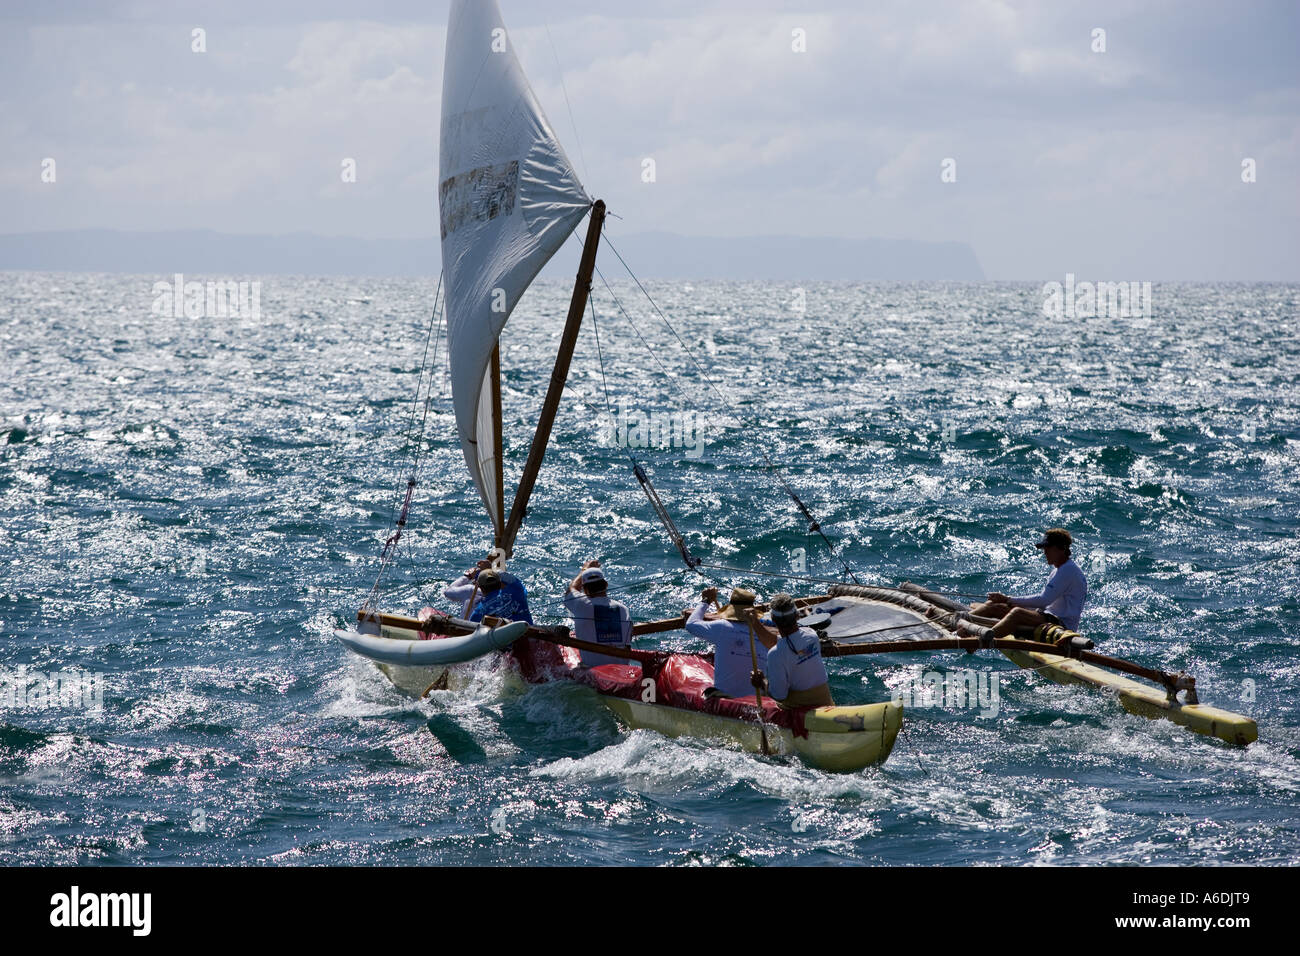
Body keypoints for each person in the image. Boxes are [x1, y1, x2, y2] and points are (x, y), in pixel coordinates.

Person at [971, 528, 1087, 637]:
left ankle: (981, 640)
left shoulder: (1068, 570)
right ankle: (959, 624)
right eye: (1044, 548)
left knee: (1017, 613)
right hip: (1047, 616)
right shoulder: (1058, 570)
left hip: (1062, 624)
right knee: (993, 605)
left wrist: (1008, 599)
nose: (1045, 552)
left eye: (1048, 547)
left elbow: (1043, 601)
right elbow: (1044, 605)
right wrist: (1008, 603)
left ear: (1062, 548)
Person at [683, 586, 769, 699]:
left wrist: (706, 600)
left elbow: (690, 624)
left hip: (725, 697)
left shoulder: (722, 627)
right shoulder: (767, 634)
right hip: (758, 698)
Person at [752, 593, 833, 708]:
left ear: (773, 620)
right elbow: (790, 646)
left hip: (798, 710)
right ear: (797, 616)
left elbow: (779, 696)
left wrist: (761, 682)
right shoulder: (812, 635)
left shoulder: (775, 654)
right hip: (825, 701)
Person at [562, 560, 634, 667]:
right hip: (623, 669)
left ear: (585, 589)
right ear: (606, 585)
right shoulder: (624, 609)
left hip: (594, 670)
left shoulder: (581, 604)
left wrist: (585, 569)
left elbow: (571, 590)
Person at [443, 548, 506, 617]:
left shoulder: (470, 591)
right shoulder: (507, 594)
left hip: (468, 625)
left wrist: (468, 576)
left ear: (478, 583)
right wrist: (492, 570)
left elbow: (447, 592)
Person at [465, 567, 534, 625]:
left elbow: (471, 630)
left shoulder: (479, 611)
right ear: (501, 583)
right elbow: (506, 576)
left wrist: (478, 575)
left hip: (507, 639)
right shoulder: (517, 590)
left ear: (480, 587)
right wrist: (487, 568)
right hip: (531, 634)